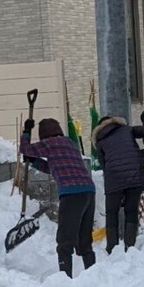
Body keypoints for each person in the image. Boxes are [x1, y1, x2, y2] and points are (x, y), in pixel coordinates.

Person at [20, 117, 96, 277]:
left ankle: (65, 280)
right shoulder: (70, 143)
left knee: (64, 241)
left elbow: (24, 149)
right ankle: (94, 276)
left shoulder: (49, 143)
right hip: (88, 191)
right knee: (84, 241)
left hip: (72, 194)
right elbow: (53, 167)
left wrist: (26, 131)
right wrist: (34, 161)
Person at [92, 116, 144, 253]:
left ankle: (112, 248)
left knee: (111, 213)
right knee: (131, 211)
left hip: (114, 178)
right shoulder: (127, 130)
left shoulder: (100, 140)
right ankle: (130, 247)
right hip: (135, 175)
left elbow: (104, 164)